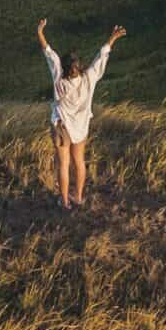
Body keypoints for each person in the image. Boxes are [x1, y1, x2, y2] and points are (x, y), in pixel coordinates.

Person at [37, 17, 126, 210]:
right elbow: (100, 58)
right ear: (79, 67)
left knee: (63, 164)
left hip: (61, 125)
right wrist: (112, 39)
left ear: (65, 67)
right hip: (80, 126)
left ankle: (64, 201)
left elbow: (50, 55)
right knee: (79, 161)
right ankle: (77, 196)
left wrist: (40, 33)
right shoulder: (88, 80)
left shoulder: (59, 80)